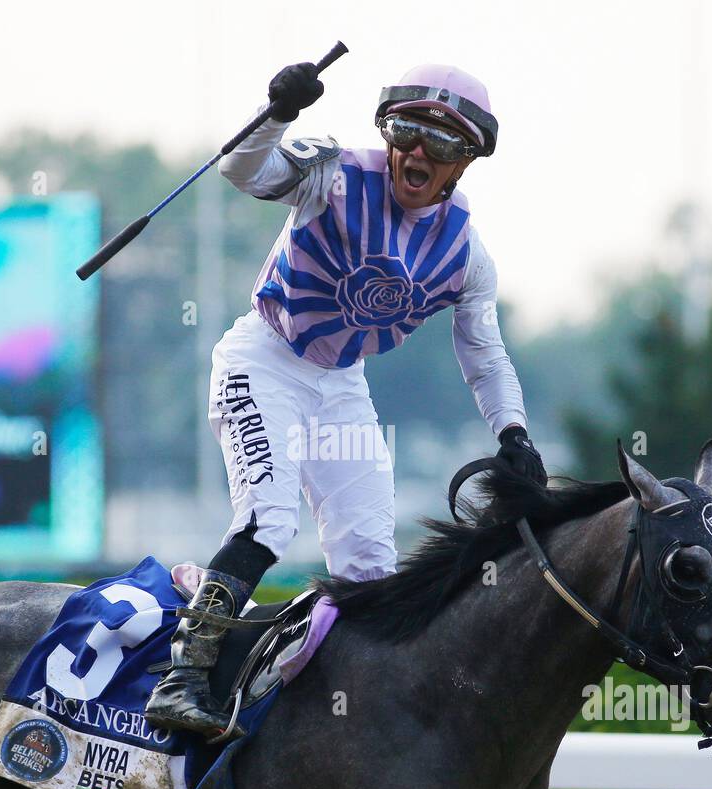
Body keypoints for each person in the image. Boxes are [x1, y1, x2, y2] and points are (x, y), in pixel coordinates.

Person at [144, 62, 546, 739]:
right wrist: (278, 111)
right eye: (409, 131)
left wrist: (515, 433)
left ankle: (356, 711)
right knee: (270, 520)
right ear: (386, 136)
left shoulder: (468, 257)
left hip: (341, 385)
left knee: (369, 563)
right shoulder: (332, 173)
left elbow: (484, 354)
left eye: (442, 144)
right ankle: (183, 674)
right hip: (264, 359)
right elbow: (242, 172)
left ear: (464, 164)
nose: (419, 153)